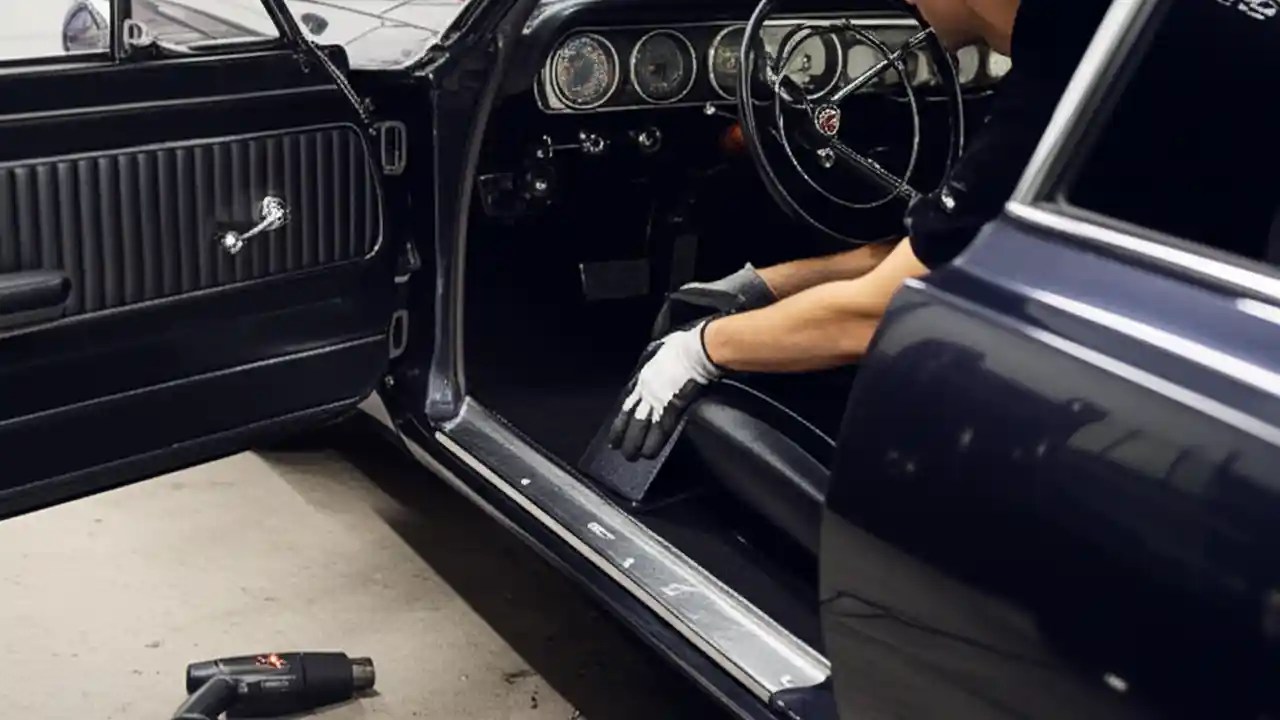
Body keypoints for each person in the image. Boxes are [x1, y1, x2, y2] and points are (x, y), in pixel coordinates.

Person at [609, 0, 1112, 460]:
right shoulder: (1095, 43)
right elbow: (960, 246)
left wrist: (699, 350)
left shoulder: (1057, 80)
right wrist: (764, 286)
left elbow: (896, 307)